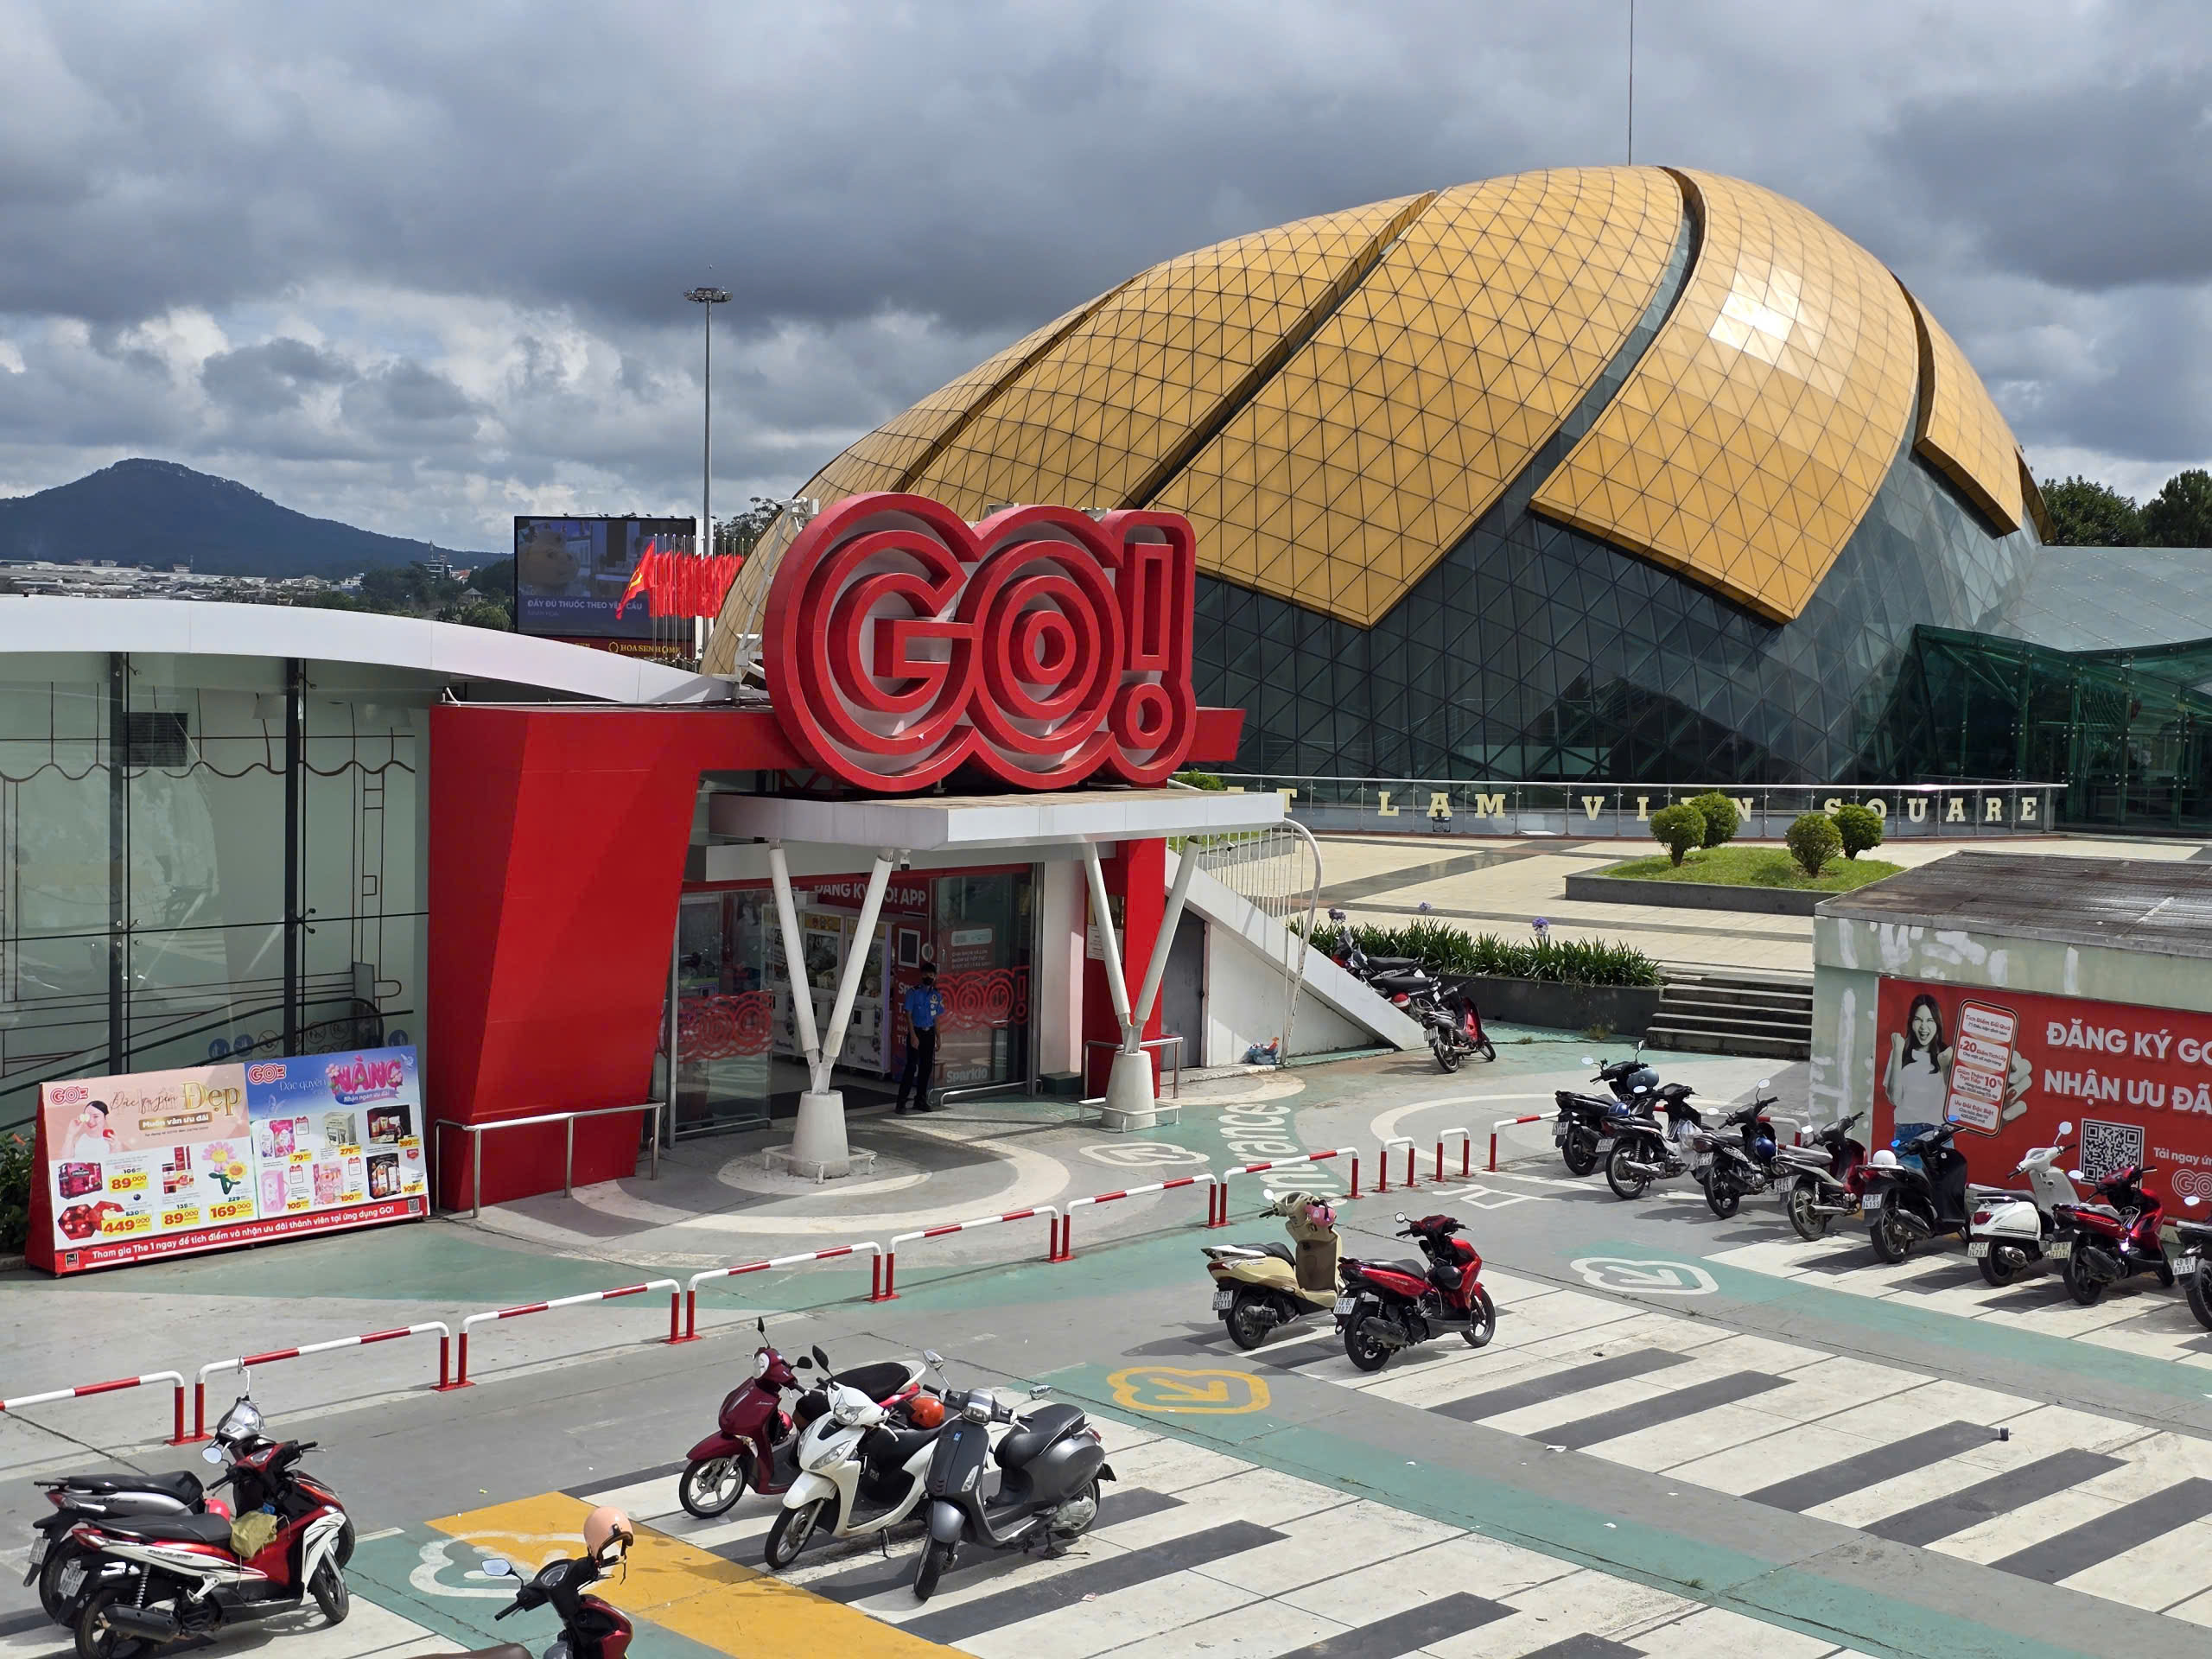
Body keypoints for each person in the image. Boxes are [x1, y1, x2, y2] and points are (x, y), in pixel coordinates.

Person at [1885, 994, 1953, 1125]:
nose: (1923, 1027)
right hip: (1906, 1132)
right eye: (1918, 1019)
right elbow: (1894, 1098)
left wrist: (1945, 1067)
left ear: (1937, 1023)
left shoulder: (1947, 1054)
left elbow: (1955, 1102)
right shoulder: (1900, 1052)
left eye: (1930, 1020)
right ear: (1911, 1022)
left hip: (1938, 1132)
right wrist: (1898, 1052)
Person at [895, 972, 944, 1115]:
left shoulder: (936, 995)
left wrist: (938, 1037)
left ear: (935, 977)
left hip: (929, 1034)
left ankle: (920, 1100)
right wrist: (913, 1036)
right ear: (921, 976)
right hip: (916, 1032)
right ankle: (901, 1103)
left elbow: (936, 1019)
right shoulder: (913, 993)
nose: (929, 977)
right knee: (911, 1067)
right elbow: (908, 1016)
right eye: (926, 974)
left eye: (932, 975)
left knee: (926, 1068)